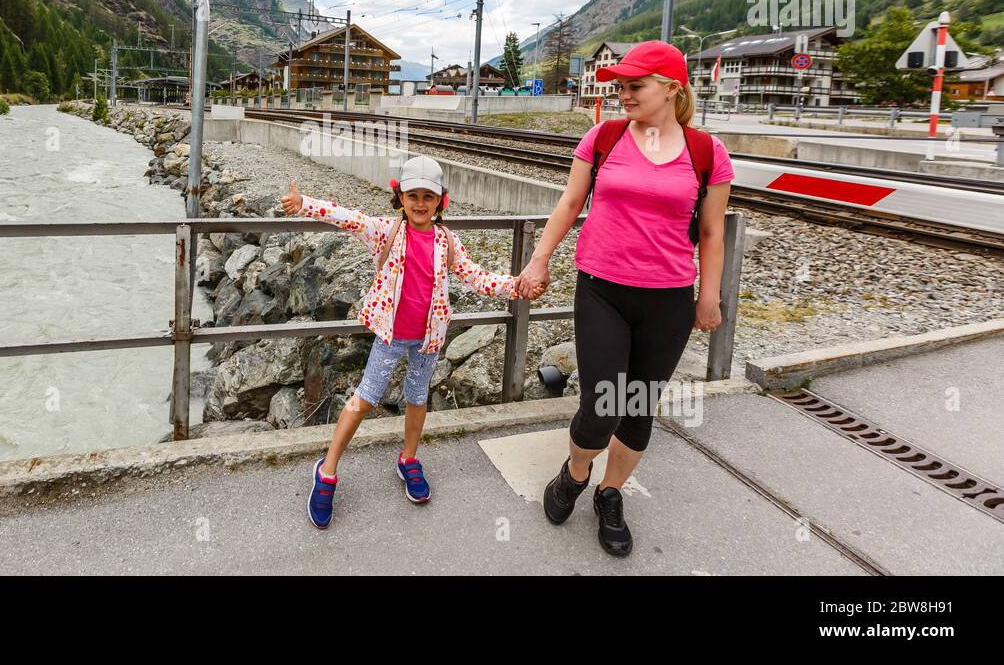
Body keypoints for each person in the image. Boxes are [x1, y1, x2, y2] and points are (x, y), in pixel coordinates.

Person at [515, 40, 733, 558]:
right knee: (601, 407)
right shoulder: (605, 137)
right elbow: (570, 202)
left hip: (669, 300)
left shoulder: (707, 153)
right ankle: (575, 473)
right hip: (603, 290)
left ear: (671, 88)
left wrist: (709, 297)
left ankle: (610, 494)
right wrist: (539, 258)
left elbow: (711, 234)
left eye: (635, 85)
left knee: (638, 407)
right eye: (620, 86)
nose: (622, 94)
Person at [279, 155, 528, 529]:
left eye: (429, 196)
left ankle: (409, 459)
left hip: (428, 340)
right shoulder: (386, 231)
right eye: (413, 195)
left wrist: (517, 285)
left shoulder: (447, 242)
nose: (421, 204)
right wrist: (305, 205)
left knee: (417, 398)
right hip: (391, 336)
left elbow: (477, 277)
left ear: (441, 200)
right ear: (400, 198)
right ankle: (327, 470)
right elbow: (348, 217)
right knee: (364, 399)